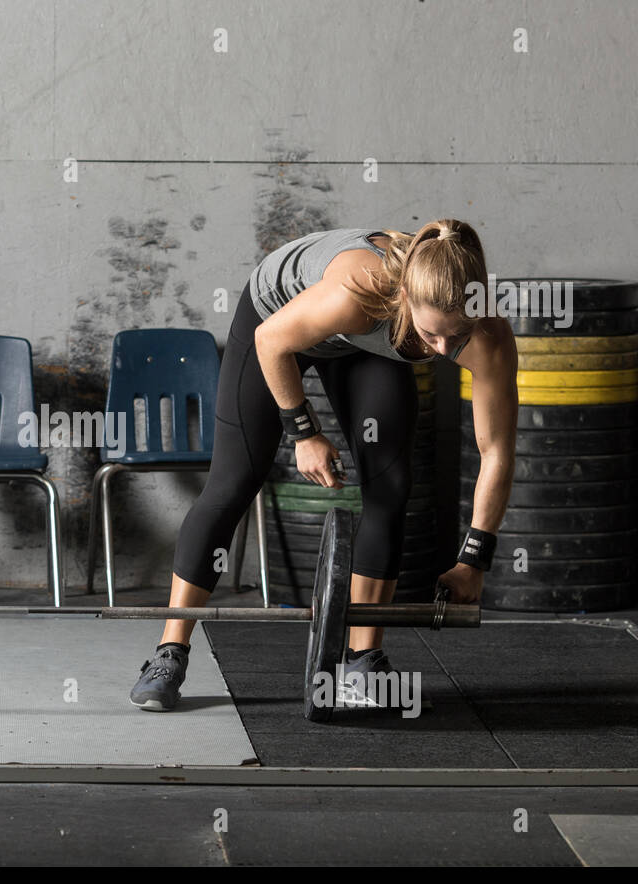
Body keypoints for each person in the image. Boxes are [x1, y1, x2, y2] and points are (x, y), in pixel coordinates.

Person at [130, 220, 519, 711]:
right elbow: (273, 342)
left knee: (391, 483)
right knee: (236, 479)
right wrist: (304, 433)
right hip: (277, 321)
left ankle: (362, 661)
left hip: (364, 343)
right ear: (405, 300)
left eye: (454, 335)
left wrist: (473, 559)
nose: (443, 351)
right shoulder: (360, 291)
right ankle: (170, 652)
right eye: (432, 335)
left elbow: (497, 450)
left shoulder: (488, 336)